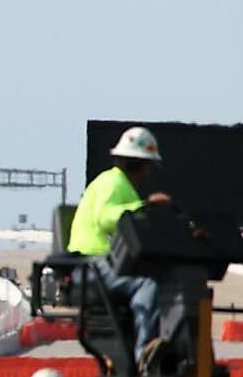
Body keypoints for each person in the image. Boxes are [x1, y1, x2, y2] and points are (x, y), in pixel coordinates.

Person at [67, 126, 169, 361]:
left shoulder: (122, 187)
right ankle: (144, 352)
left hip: (104, 266)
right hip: (92, 265)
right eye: (147, 166)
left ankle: (154, 342)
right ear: (141, 165)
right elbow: (106, 217)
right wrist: (144, 208)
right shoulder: (113, 183)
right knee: (148, 283)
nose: (147, 173)